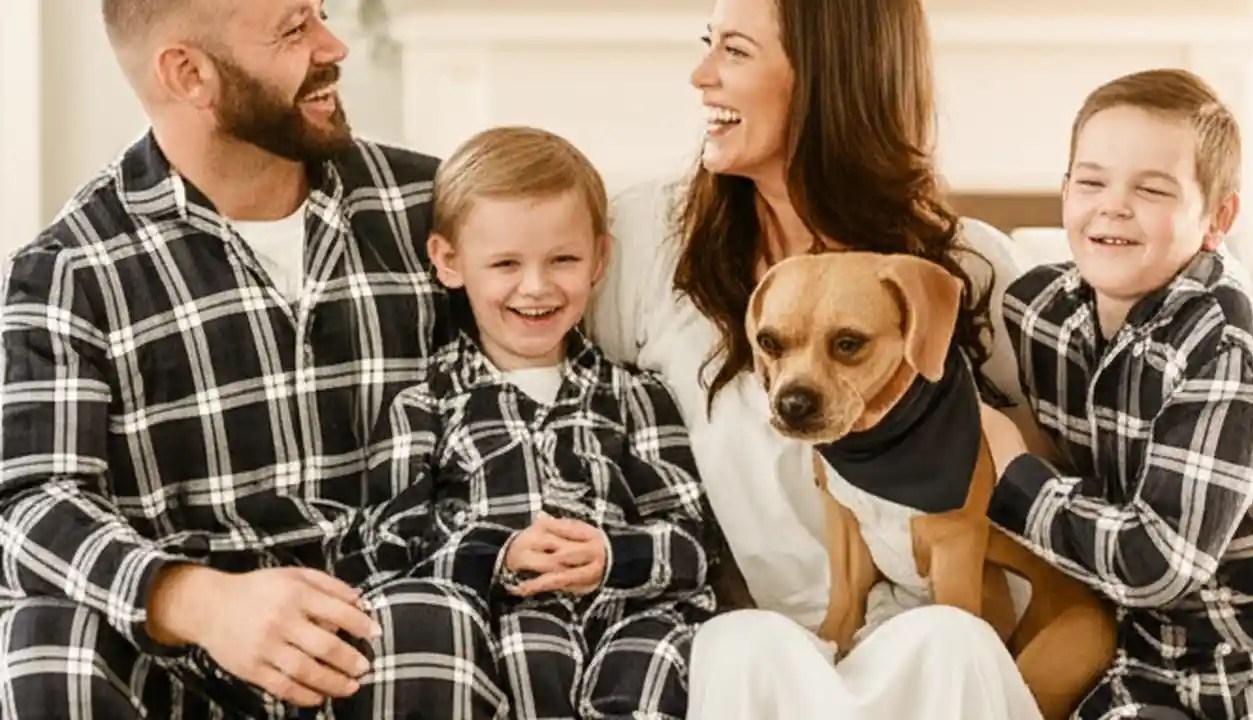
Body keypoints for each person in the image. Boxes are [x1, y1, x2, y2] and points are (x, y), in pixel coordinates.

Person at [0, 1, 509, 717]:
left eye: (319, 13)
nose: (333, 47)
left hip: (389, 638)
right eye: (293, 30)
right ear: (189, 74)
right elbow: (29, 504)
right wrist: (199, 602)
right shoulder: (69, 270)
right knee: (45, 640)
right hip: (185, 660)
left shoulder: (435, 211)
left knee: (435, 627)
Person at [585, 0, 1043, 717]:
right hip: (766, 657)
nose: (700, 75)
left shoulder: (971, 266)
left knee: (948, 642)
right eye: (709, 44)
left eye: (735, 51)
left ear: (829, 75)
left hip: (942, 646)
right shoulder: (649, 243)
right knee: (739, 643)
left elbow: (1051, 490)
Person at [342, 124, 716, 718]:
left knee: (665, 646)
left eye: (563, 259)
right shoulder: (424, 407)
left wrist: (612, 554)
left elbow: (694, 545)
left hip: (623, 625)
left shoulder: (637, 397)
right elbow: (384, 558)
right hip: (497, 638)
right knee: (502, 641)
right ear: (449, 262)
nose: (537, 287)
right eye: (506, 263)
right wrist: (500, 554)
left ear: (599, 259)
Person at [982, 68, 1253, 720]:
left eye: (1151, 189)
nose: (1113, 205)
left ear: (1218, 218)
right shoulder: (1036, 311)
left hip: (1242, 663)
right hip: (1121, 657)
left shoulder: (1224, 348)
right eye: (1091, 182)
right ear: (1065, 192)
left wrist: (1016, 475)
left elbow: (1158, 564)